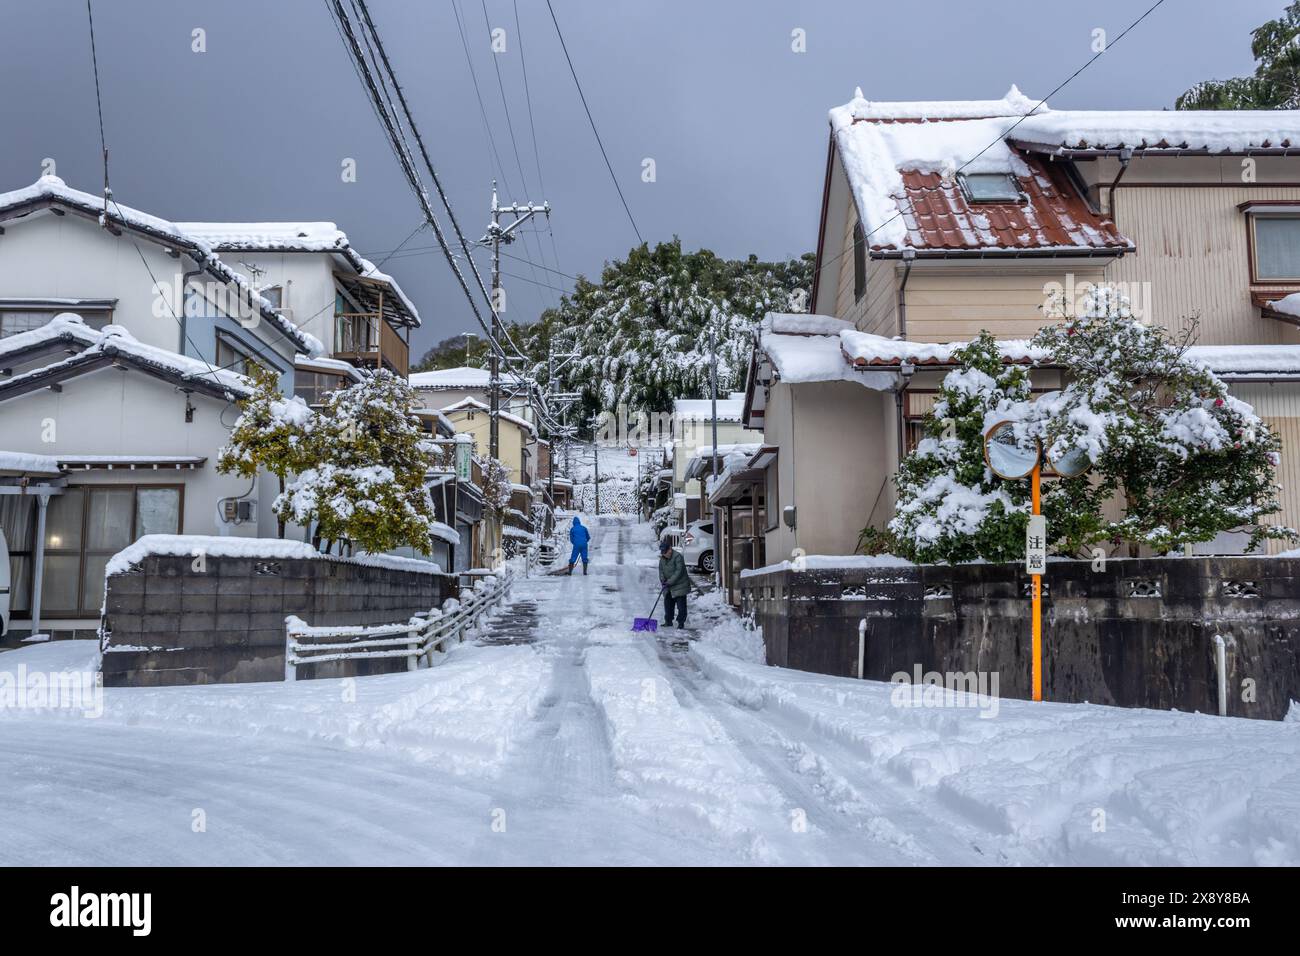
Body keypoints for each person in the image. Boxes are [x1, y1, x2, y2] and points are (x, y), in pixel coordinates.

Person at [658, 538, 690, 628]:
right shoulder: (662, 558)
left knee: (681, 607)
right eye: (663, 552)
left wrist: (669, 582)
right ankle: (668, 621)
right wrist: (663, 580)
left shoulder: (678, 557)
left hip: (680, 585)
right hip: (668, 586)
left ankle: (681, 623)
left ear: (670, 549)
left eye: (666, 551)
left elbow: (678, 572)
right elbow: (661, 571)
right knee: (668, 605)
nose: (665, 554)